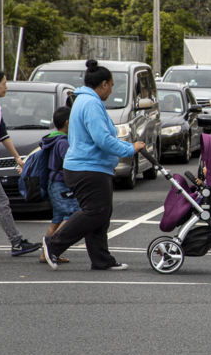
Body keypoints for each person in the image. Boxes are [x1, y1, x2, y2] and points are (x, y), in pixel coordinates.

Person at [42, 61, 146, 270]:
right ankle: (53, 244)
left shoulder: (84, 100)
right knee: (95, 212)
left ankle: (101, 260)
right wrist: (129, 149)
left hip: (90, 166)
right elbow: (103, 139)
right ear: (104, 84)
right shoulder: (90, 103)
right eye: (112, 85)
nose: (111, 90)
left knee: (101, 214)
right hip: (88, 168)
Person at [0, 70, 42, 257]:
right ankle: (17, 242)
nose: (6, 86)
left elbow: (2, 134)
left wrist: (17, 157)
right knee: (1, 202)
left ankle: (17, 242)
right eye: (3, 83)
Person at [40, 107, 74, 264]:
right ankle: (52, 248)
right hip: (61, 184)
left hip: (54, 184)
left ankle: (46, 253)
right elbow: (69, 164)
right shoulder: (64, 142)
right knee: (72, 215)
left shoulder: (54, 138)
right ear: (68, 122)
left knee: (57, 218)